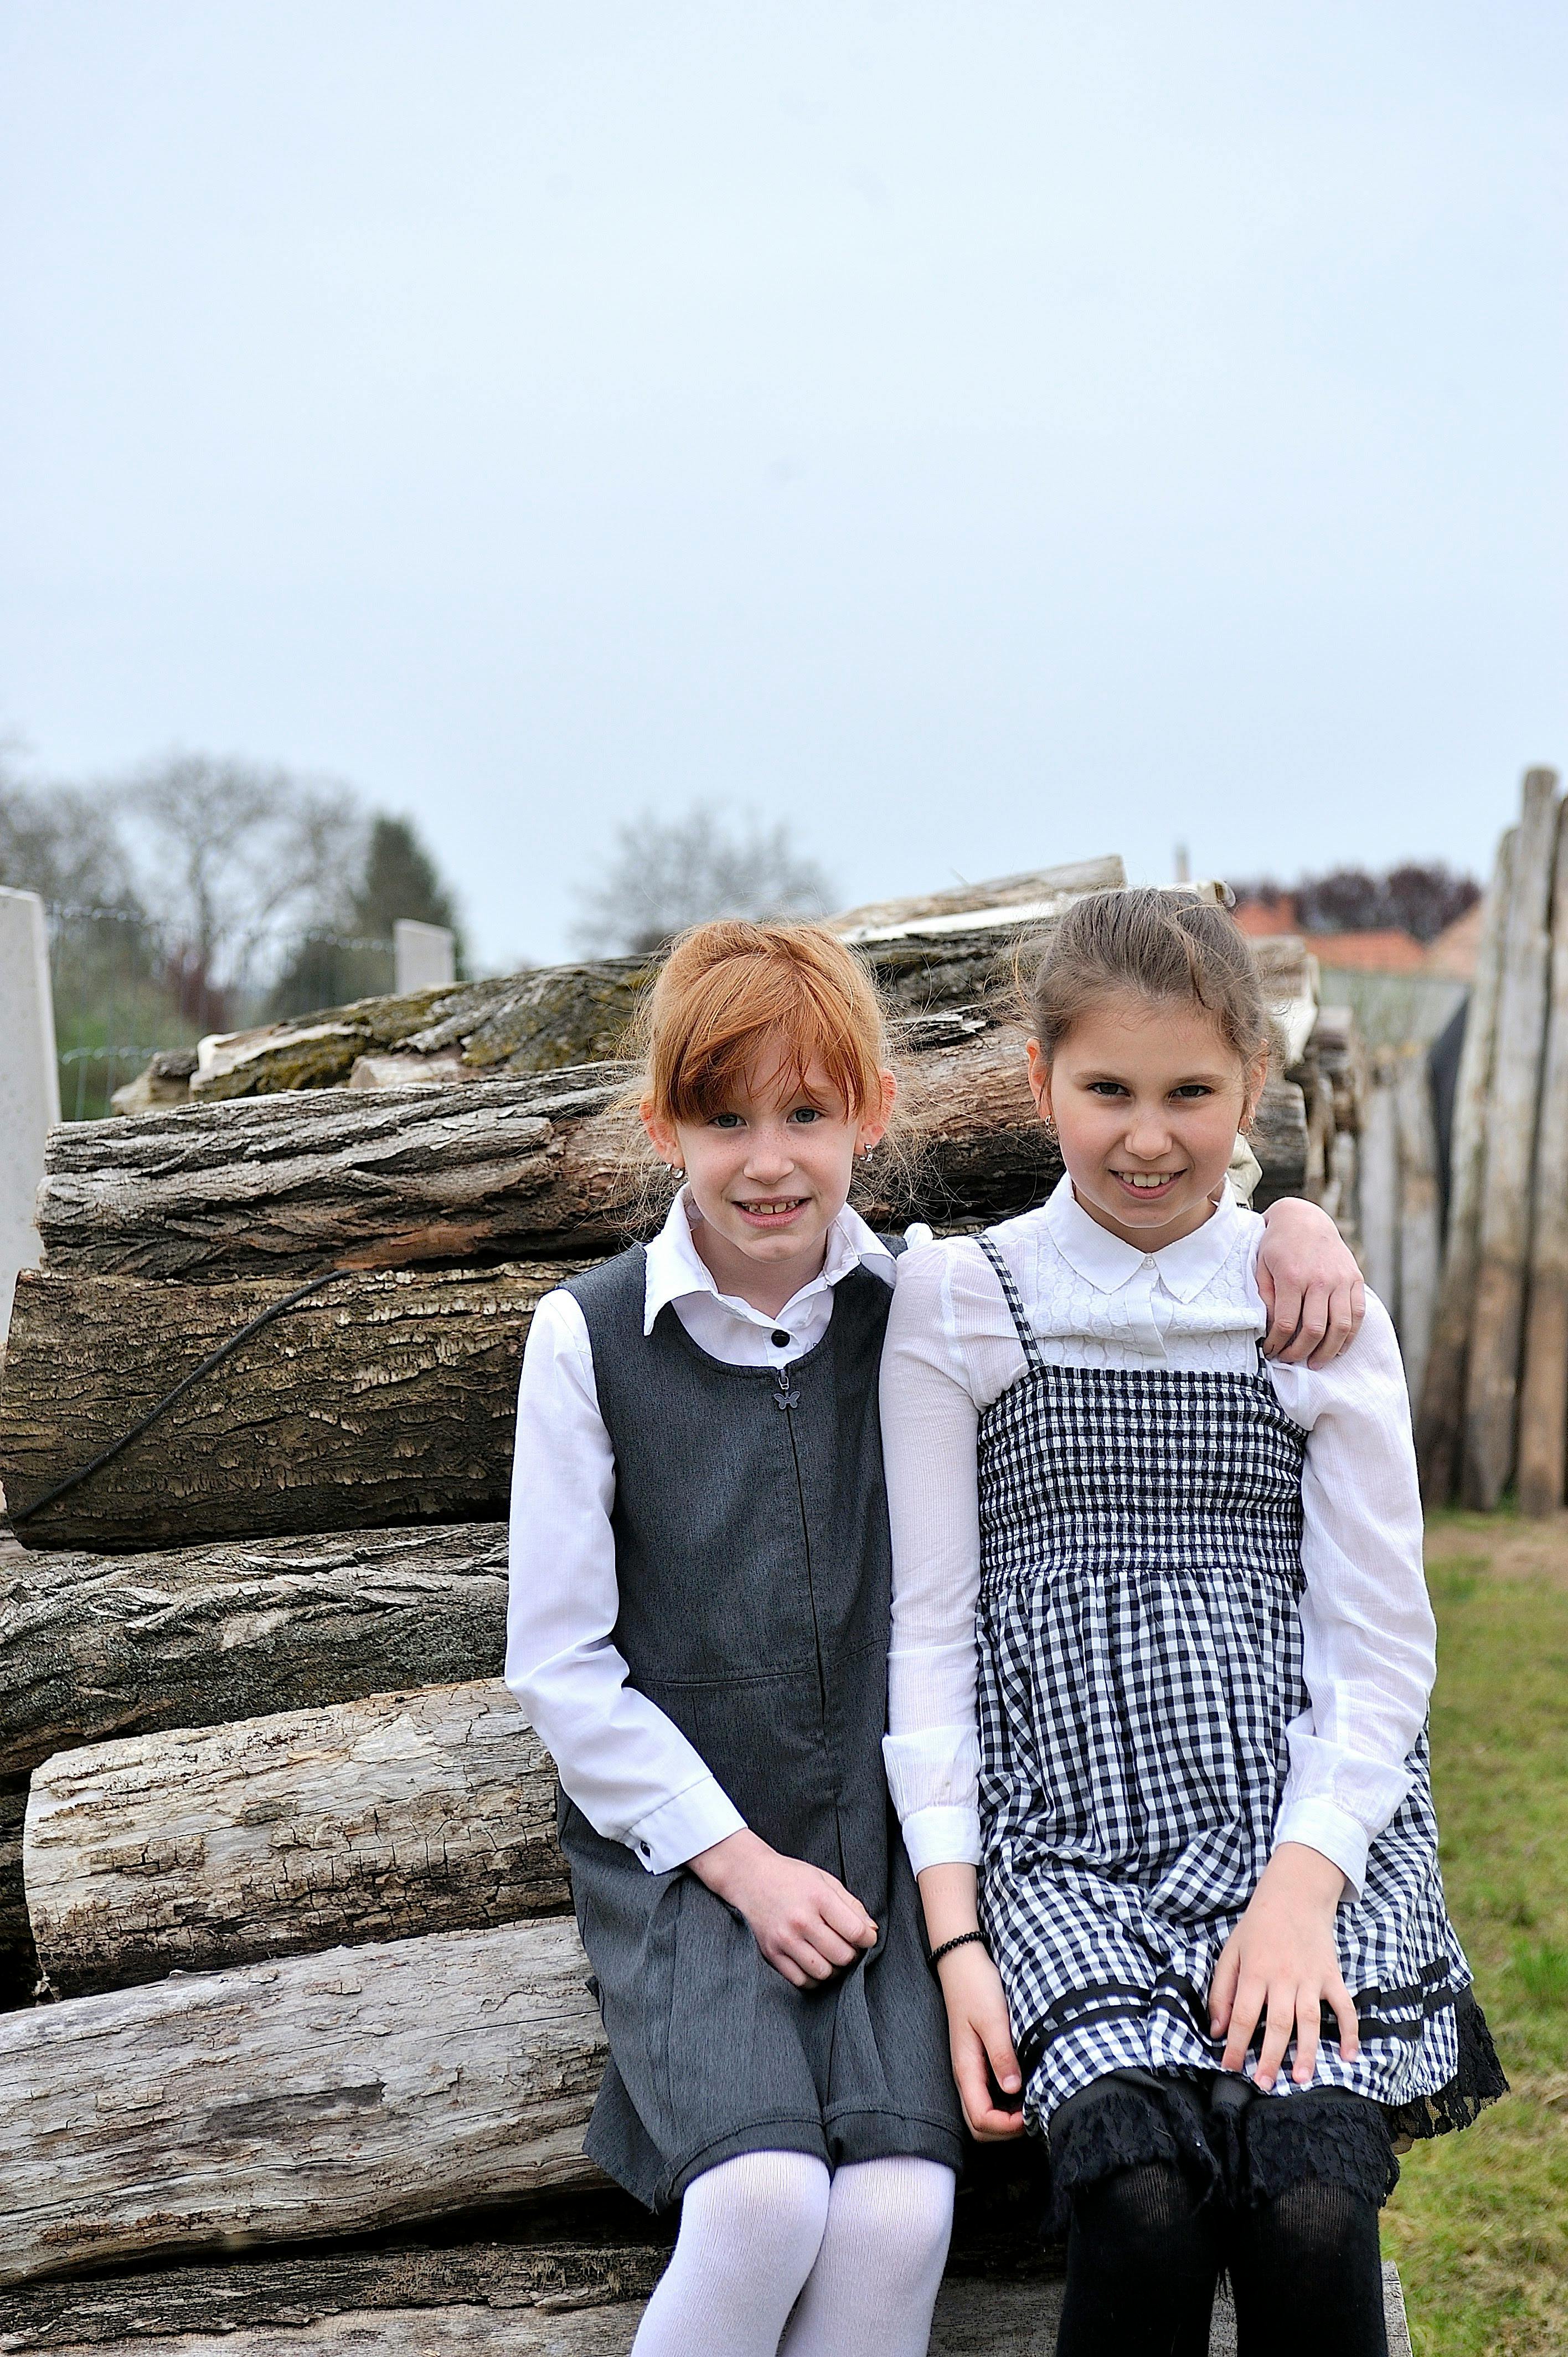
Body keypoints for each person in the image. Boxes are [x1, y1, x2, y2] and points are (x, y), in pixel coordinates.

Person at [506, 913, 1371, 2357]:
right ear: (663, 1126)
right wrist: (741, 1869)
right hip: (700, 1860)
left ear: (872, 1113)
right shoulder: (587, 1340)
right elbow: (559, 1664)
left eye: (806, 1112)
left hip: (886, 1852)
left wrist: (1294, 1216)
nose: (768, 1157)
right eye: (723, 1119)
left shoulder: (925, 1299)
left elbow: (1148, 1228)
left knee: (905, 2214)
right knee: (767, 2202)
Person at [880, 888, 1505, 2357]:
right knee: (1147, 2196)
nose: (1147, 1137)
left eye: (1191, 1094)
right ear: (1040, 1083)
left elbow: (1380, 1640)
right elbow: (930, 1637)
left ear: (1254, 1093)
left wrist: (1299, 1897)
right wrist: (957, 1935)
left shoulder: (1308, 1306)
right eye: (1106, 1090)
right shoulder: (966, 1304)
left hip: (1292, 1829)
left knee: (1306, 2206)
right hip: (1063, 1844)